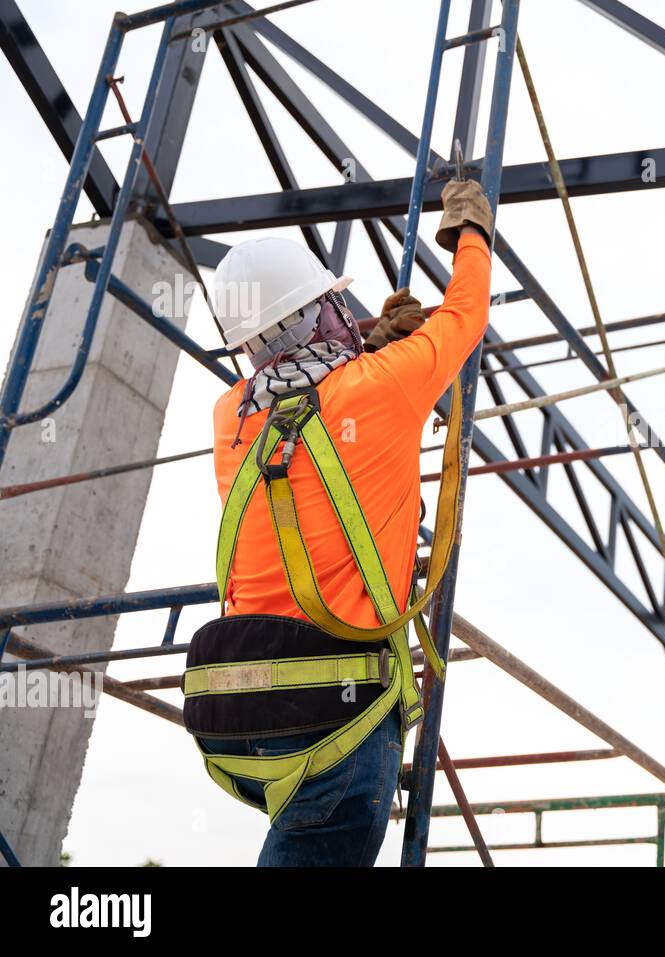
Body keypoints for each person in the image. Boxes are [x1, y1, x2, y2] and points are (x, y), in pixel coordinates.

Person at [180, 179, 493, 866]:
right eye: (334, 305)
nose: (346, 316)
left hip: (237, 718)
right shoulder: (383, 386)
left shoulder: (228, 417)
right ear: (317, 313)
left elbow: (309, 395)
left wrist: (373, 347)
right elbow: (465, 314)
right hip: (336, 715)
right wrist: (472, 233)